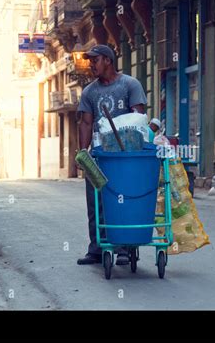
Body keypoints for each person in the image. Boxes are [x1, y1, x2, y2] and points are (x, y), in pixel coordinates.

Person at [77, 44, 147, 266]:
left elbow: (139, 116)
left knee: (123, 198)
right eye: (90, 61)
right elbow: (86, 123)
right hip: (100, 156)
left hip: (125, 156)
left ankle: (125, 248)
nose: (91, 64)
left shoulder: (129, 84)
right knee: (96, 200)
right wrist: (82, 152)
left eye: (94, 60)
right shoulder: (89, 92)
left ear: (108, 60)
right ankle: (97, 248)